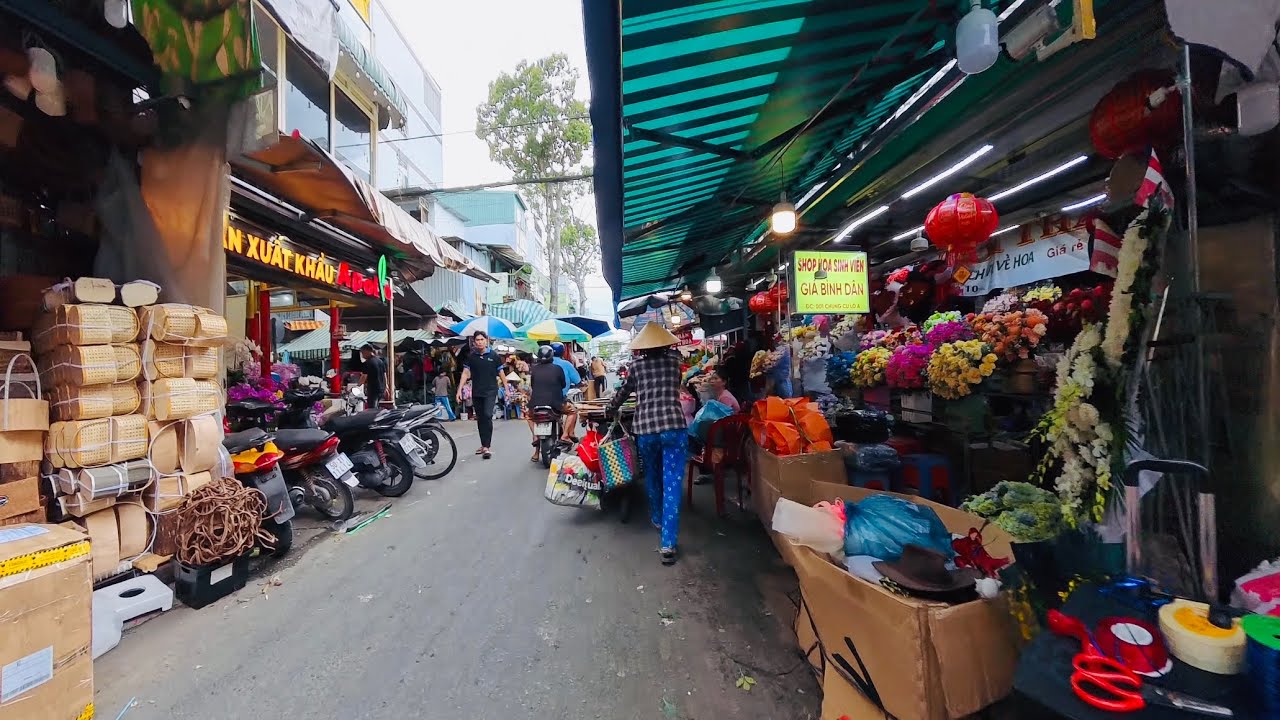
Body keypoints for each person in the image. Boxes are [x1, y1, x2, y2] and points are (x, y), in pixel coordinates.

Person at [608, 323, 688, 565]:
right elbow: (675, 384)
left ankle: (656, 517)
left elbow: (624, 392)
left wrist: (612, 407)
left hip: (646, 430)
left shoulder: (636, 366)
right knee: (672, 483)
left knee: (652, 475)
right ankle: (668, 542)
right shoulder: (675, 361)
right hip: (674, 427)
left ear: (642, 347)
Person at [457, 331, 504, 459]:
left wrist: (507, 389)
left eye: (482, 339)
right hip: (477, 392)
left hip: (490, 391)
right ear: (474, 341)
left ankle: (487, 446)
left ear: (486, 340)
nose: (479, 342)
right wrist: (459, 390)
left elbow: (501, 372)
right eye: (477, 340)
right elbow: (465, 374)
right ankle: (484, 445)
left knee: (488, 415)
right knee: (481, 418)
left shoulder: (494, 356)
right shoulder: (471, 357)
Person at [528, 345, 570, 462]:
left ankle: (535, 436)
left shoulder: (534, 369)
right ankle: (565, 435)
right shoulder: (558, 368)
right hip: (555, 404)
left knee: (528, 416)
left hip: (535, 404)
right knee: (572, 412)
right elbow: (563, 385)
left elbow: (533, 385)